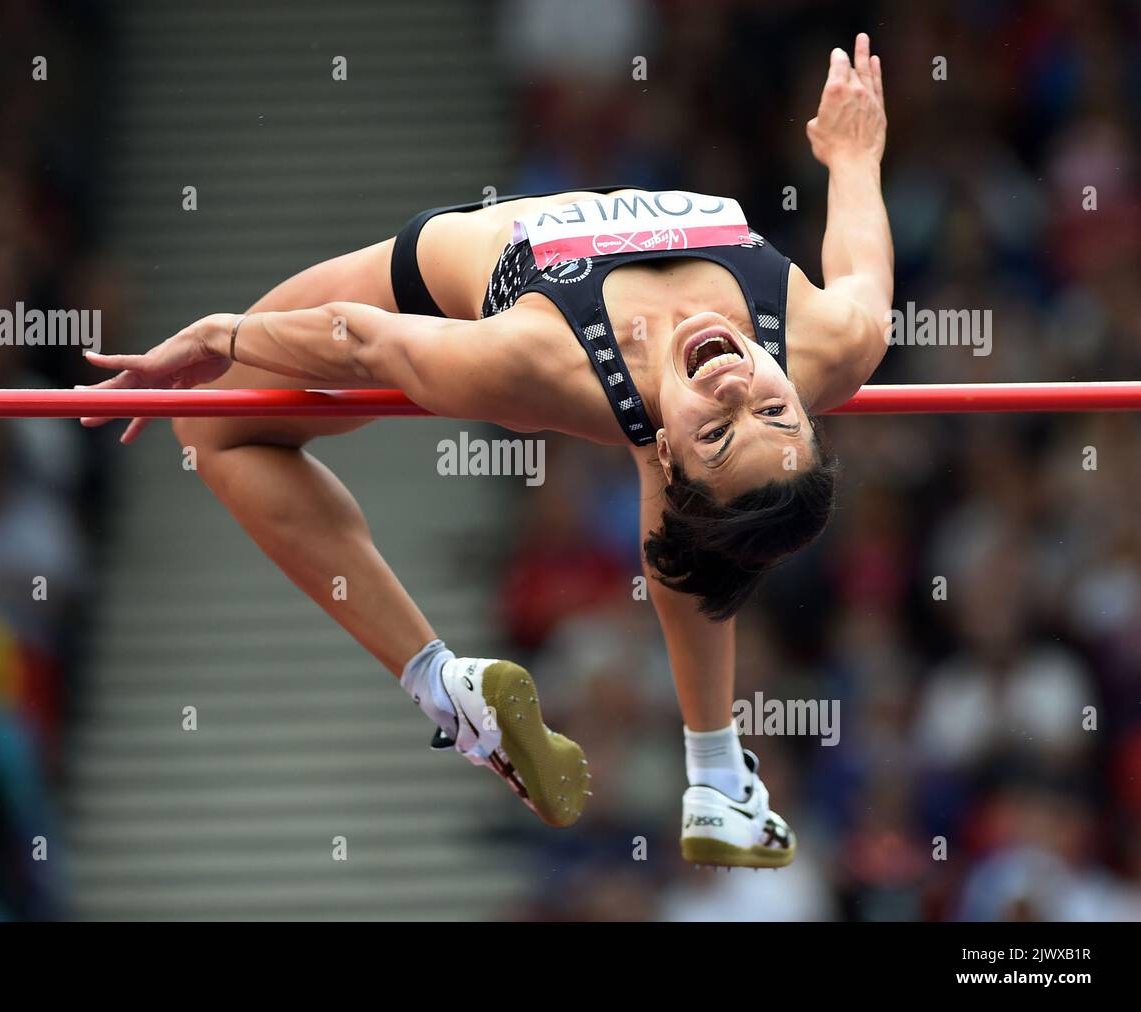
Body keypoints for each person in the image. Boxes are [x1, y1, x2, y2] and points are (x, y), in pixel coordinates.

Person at [83, 34, 893, 867]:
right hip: (622, 384)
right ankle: (718, 777)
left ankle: (446, 688)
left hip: (436, 276)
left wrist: (226, 332)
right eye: (772, 408)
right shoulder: (833, 342)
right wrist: (852, 154)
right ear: (804, 401)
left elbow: (365, 342)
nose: (733, 387)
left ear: (676, 457)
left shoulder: (538, 364)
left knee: (209, 431)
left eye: (720, 433)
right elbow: (864, 274)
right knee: (709, 493)